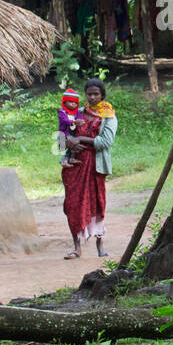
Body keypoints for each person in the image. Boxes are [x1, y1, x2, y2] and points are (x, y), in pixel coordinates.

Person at [61, 78, 116, 259]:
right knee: (73, 204)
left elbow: (106, 142)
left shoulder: (108, 116)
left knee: (96, 204)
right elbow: (62, 136)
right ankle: (77, 247)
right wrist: (69, 143)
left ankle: (100, 245)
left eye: (96, 94)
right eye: (89, 94)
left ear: (102, 95)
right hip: (75, 165)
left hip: (95, 166)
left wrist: (81, 140)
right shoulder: (77, 113)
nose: (92, 97)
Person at [57, 88, 83, 167]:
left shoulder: (77, 112)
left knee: (73, 147)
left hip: (72, 133)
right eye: (70, 102)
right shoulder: (62, 112)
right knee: (63, 146)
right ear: (64, 102)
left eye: (75, 102)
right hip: (63, 133)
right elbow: (64, 120)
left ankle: (71, 158)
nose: (73, 104)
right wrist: (74, 122)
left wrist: (81, 121)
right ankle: (63, 160)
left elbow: (80, 117)